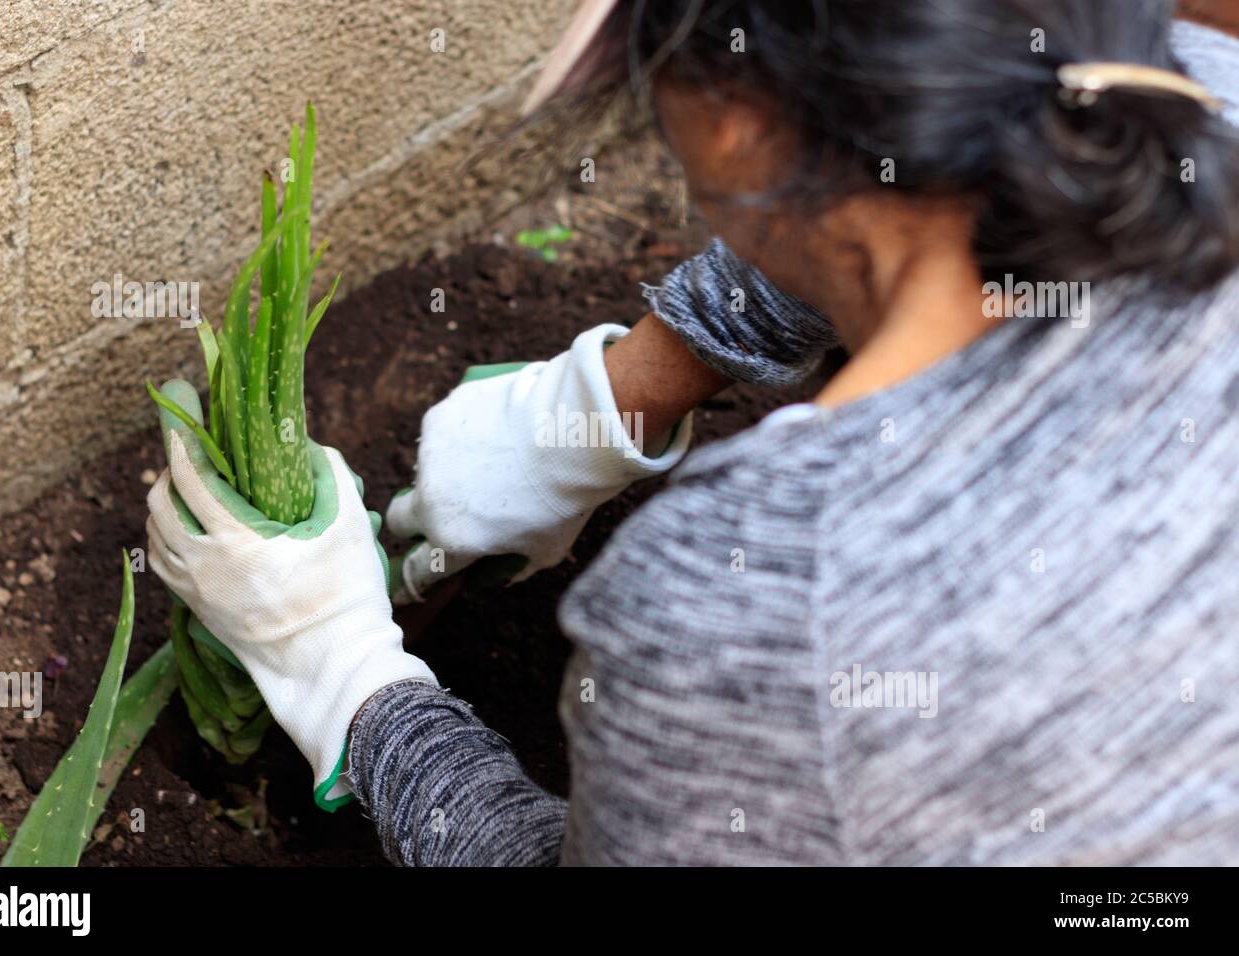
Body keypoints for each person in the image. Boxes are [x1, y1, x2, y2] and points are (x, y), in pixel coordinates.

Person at [146, 0, 1239, 865]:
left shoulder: (763, 600)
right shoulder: (1183, 98)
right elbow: (913, 198)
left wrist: (342, 676)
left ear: (734, 118)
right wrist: (615, 396)